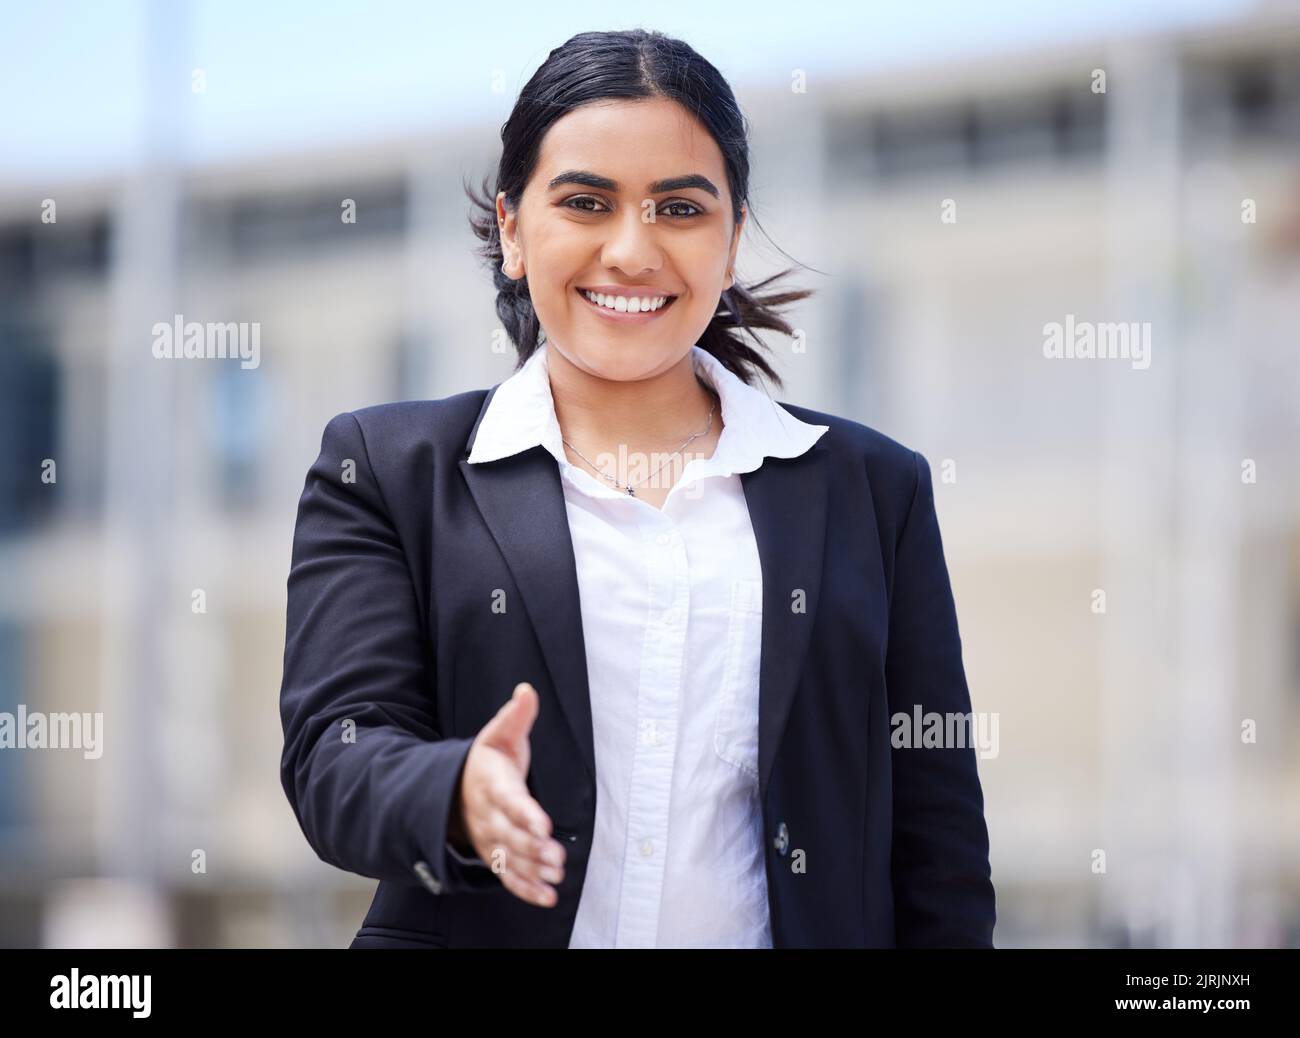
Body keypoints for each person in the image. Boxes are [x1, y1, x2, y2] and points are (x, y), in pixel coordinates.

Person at [278, 28, 995, 948]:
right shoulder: (387, 470)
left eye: (679, 209)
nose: (631, 250)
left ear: (732, 239)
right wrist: (456, 791)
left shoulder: (871, 491)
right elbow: (335, 755)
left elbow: (937, 847)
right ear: (511, 230)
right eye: (585, 202)